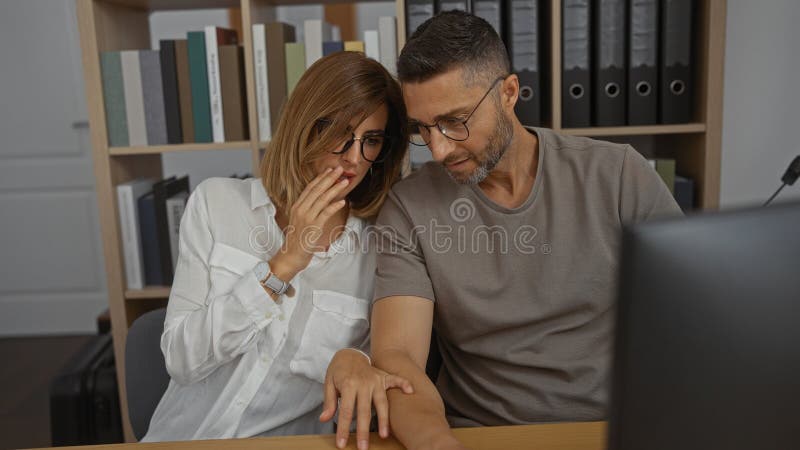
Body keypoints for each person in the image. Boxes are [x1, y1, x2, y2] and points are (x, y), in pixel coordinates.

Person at [323, 11, 682, 450]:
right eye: (424, 128)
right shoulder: (409, 208)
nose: (438, 149)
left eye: (455, 121)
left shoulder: (619, 176)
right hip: (478, 436)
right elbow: (397, 359)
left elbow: (691, 323)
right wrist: (440, 445)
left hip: (610, 430)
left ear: (509, 93)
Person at [142, 51, 413, 442]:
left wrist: (358, 361)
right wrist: (283, 264)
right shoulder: (216, 204)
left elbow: (372, 364)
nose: (354, 158)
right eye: (340, 133)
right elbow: (181, 361)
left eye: (371, 140)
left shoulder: (379, 247)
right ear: (304, 126)